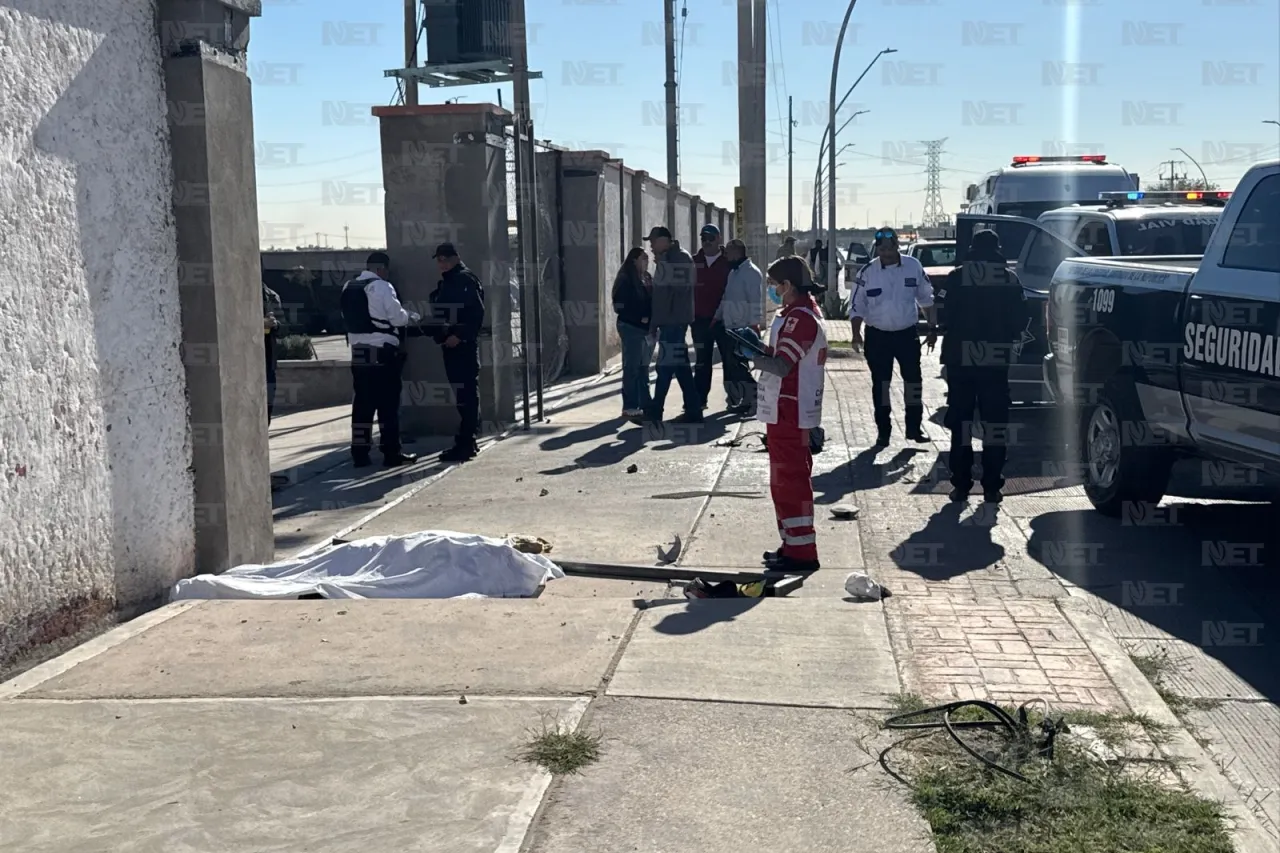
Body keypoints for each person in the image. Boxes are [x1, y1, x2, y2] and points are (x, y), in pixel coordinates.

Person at [740, 256, 828, 574]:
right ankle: (792, 544)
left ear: (788, 285)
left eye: (773, 285)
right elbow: (780, 355)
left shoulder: (800, 319)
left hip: (790, 410)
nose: (771, 290)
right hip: (785, 409)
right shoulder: (796, 314)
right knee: (783, 481)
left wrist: (753, 356)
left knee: (790, 481)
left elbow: (782, 365)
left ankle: (802, 551)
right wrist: (757, 348)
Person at [937, 229, 1029, 503]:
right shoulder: (1009, 278)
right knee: (995, 424)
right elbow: (1022, 318)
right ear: (997, 249)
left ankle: (960, 485)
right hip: (995, 360)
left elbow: (943, 313)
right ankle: (992, 487)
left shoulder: (956, 277)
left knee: (961, 422)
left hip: (960, 360)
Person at [850, 227, 937, 447]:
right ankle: (883, 432)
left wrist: (932, 328)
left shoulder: (913, 266)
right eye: (882, 249)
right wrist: (855, 333)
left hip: (906, 335)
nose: (886, 253)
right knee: (881, 385)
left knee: (913, 382)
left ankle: (914, 428)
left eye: (890, 248)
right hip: (877, 337)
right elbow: (857, 305)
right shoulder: (867, 272)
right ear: (877, 249)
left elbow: (926, 298)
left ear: (897, 246)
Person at [341, 252, 419, 468]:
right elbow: (397, 318)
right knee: (388, 406)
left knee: (362, 406)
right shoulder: (383, 286)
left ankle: (360, 454)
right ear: (381, 269)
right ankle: (392, 453)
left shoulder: (349, 287)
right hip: (382, 354)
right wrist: (411, 316)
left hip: (359, 354)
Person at [429, 242, 487, 462]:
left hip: (462, 347)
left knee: (466, 395)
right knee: (462, 395)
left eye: (445, 259)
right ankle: (467, 441)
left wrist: (459, 336)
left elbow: (476, 313)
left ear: (456, 258)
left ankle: (466, 442)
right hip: (451, 345)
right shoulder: (449, 281)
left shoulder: (464, 279)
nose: (441, 264)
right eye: (439, 260)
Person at [644, 226, 700, 424]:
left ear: (664, 240)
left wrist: (664, 264)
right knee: (681, 369)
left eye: (653, 241)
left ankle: (655, 411)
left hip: (674, 322)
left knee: (664, 367)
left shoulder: (680, 258)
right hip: (668, 322)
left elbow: (681, 289)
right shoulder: (667, 259)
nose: (651, 246)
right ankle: (694, 410)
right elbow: (660, 296)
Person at [715, 238, 763, 415]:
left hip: (743, 328)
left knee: (740, 367)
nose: (726, 256)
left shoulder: (751, 273)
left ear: (737, 252)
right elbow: (726, 297)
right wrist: (717, 316)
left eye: (728, 252)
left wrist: (754, 325)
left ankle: (755, 397)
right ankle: (746, 399)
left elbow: (755, 301)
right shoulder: (733, 273)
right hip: (730, 326)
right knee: (733, 365)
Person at [691, 223, 732, 413]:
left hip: (724, 321)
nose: (706, 242)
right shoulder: (693, 261)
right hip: (699, 320)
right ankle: (699, 400)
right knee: (702, 362)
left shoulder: (728, 262)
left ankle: (734, 397)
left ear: (718, 239)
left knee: (729, 360)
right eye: (703, 238)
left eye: (710, 238)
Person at [611, 247, 654, 420]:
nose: (646, 261)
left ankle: (645, 403)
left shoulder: (647, 277)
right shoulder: (626, 279)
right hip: (631, 327)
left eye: (647, 258)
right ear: (634, 260)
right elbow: (619, 306)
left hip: (647, 329)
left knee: (644, 368)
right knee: (632, 367)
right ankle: (630, 405)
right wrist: (639, 317)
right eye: (643, 258)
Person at [263, 283, 282, 423]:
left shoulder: (271, 296)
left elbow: (285, 327)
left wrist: (276, 324)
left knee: (268, 402)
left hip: (268, 358)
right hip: (246, 361)